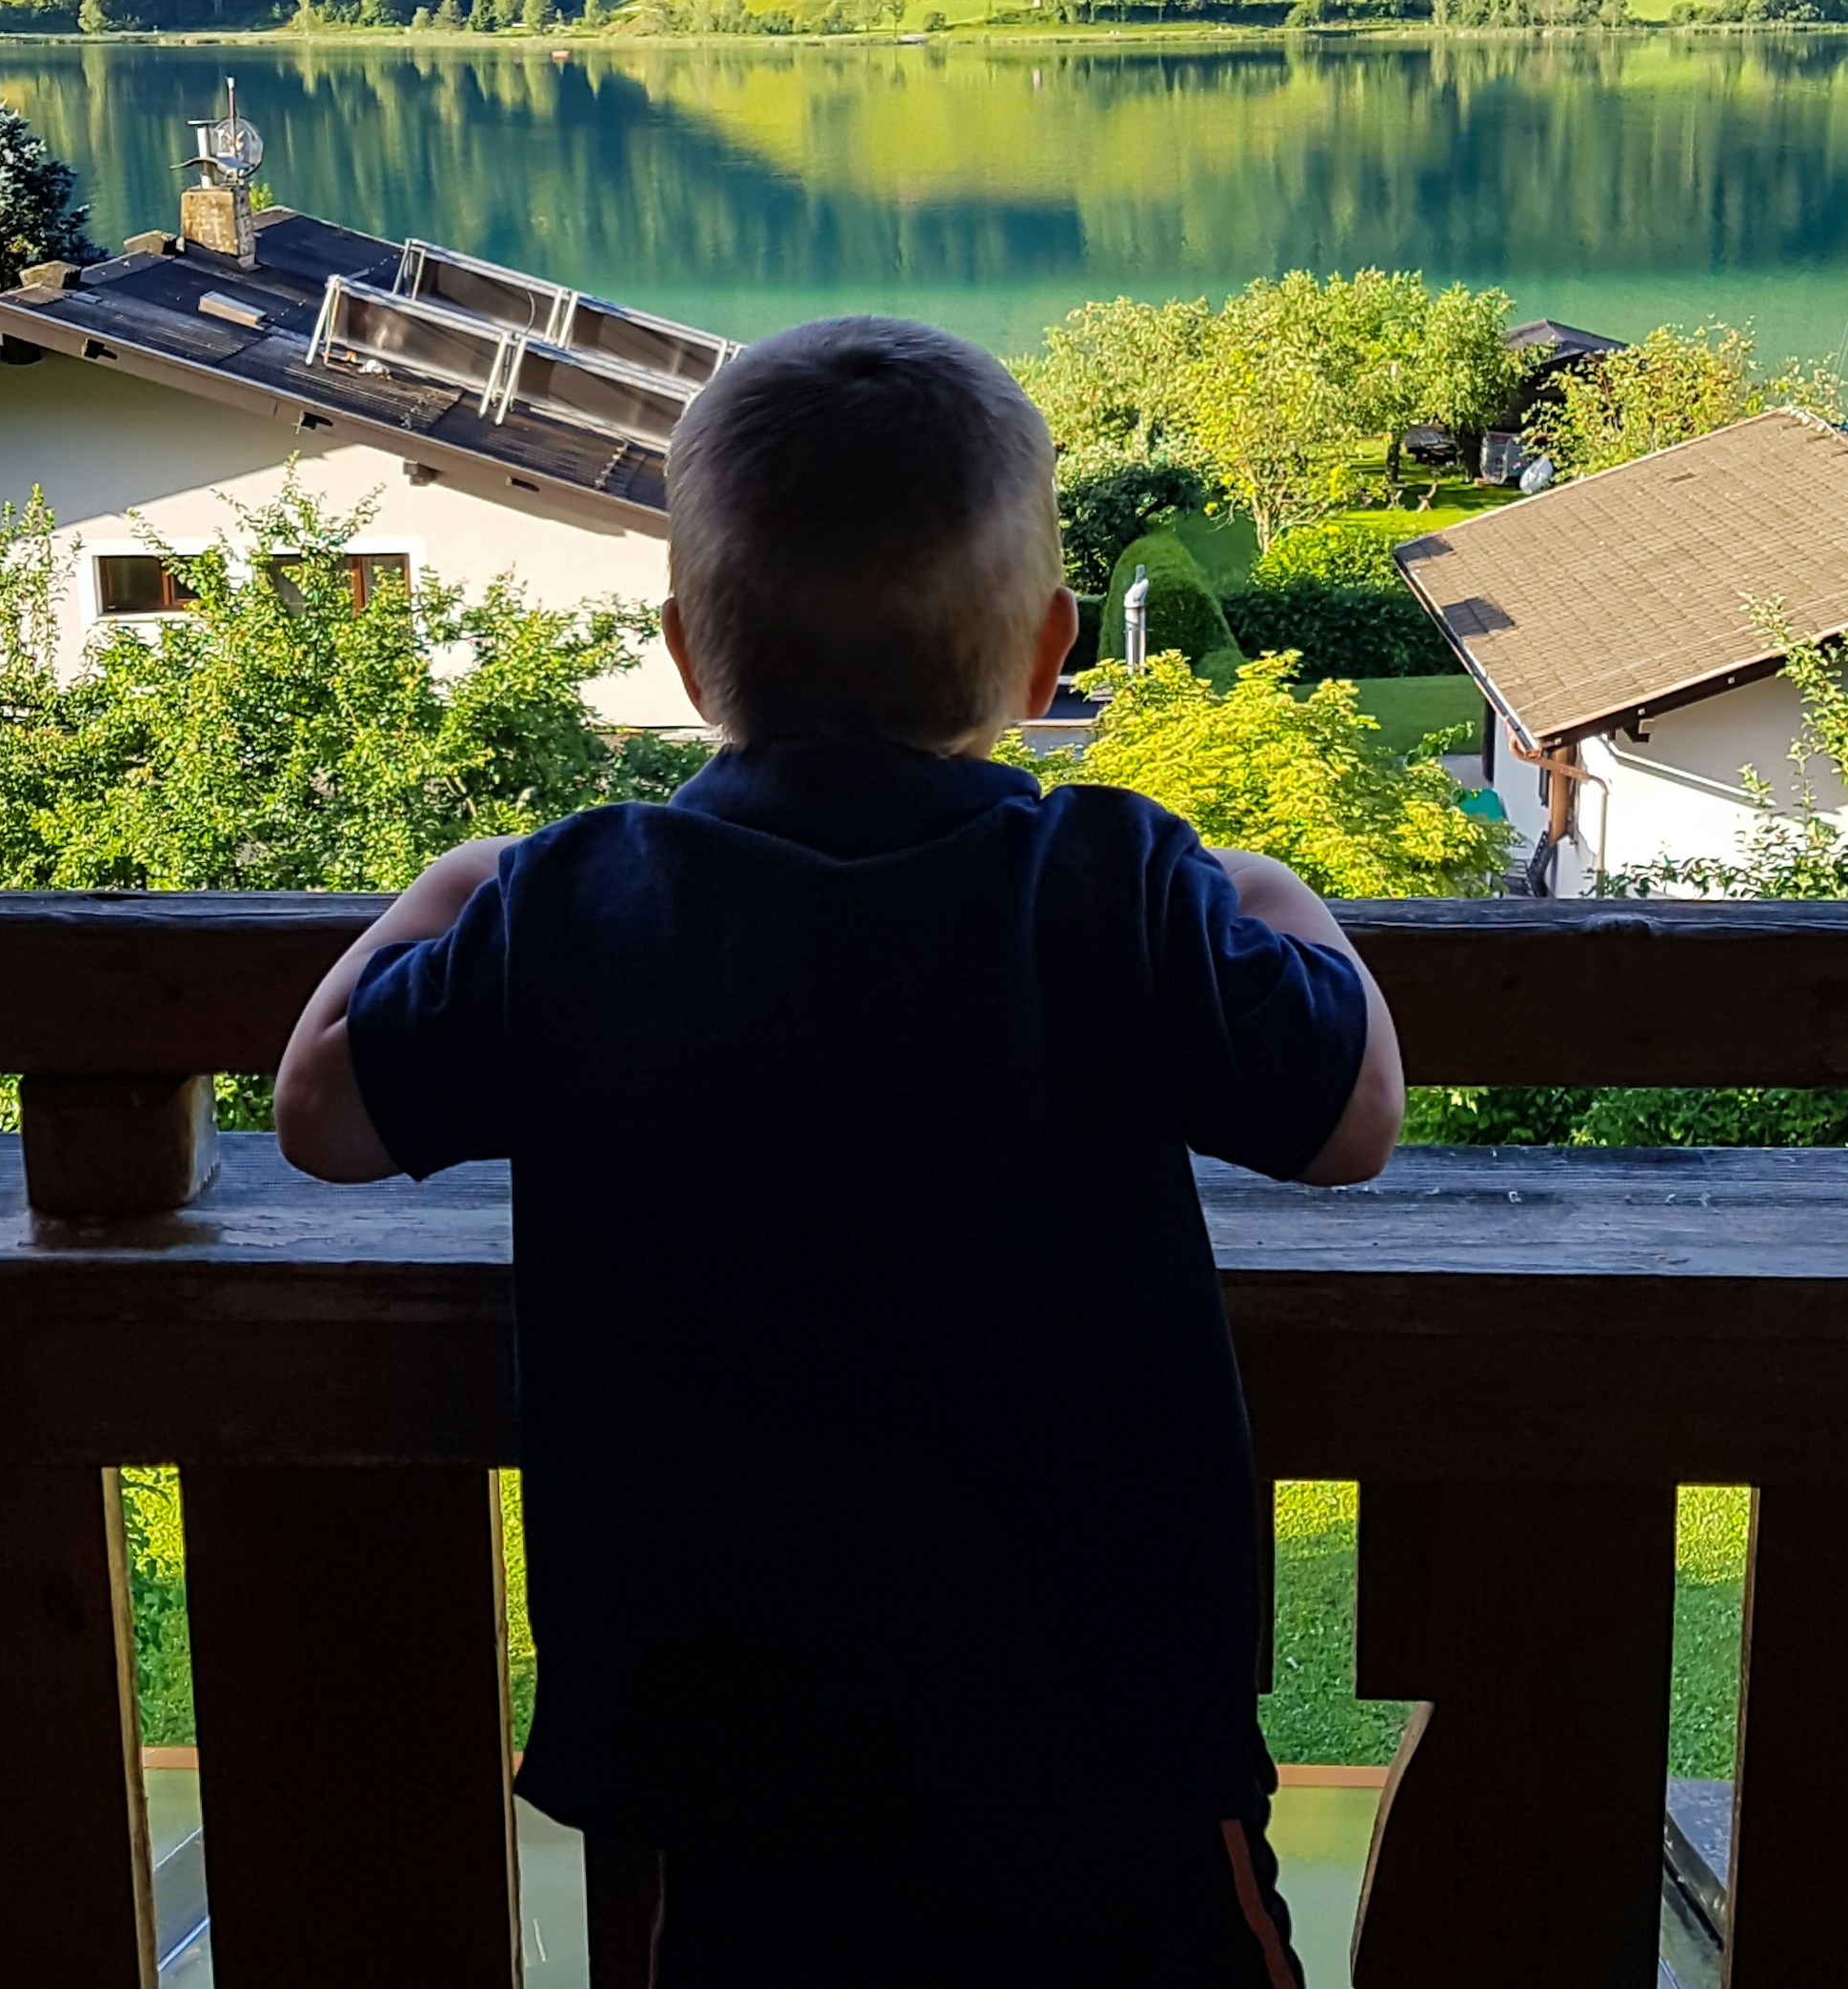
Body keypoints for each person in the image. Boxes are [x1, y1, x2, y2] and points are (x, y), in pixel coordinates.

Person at [275, 315, 1402, 1985]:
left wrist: (464, 878)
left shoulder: (582, 902)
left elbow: (320, 1108)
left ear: (683, 652)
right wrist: (1269, 889)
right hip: (1108, 1748)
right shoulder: (1110, 881)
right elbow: (1352, 1118)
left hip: (741, 1776)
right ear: (1045, 656)